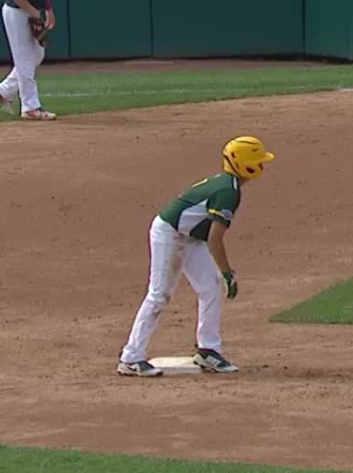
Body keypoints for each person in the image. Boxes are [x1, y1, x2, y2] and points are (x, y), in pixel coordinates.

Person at [117, 136, 275, 377]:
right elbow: (215, 239)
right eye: (258, 161)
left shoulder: (229, 185)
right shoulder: (227, 192)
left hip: (190, 237)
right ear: (246, 165)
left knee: (209, 287)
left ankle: (208, 350)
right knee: (159, 294)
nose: (262, 166)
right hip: (169, 234)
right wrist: (227, 273)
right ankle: (131, 357)